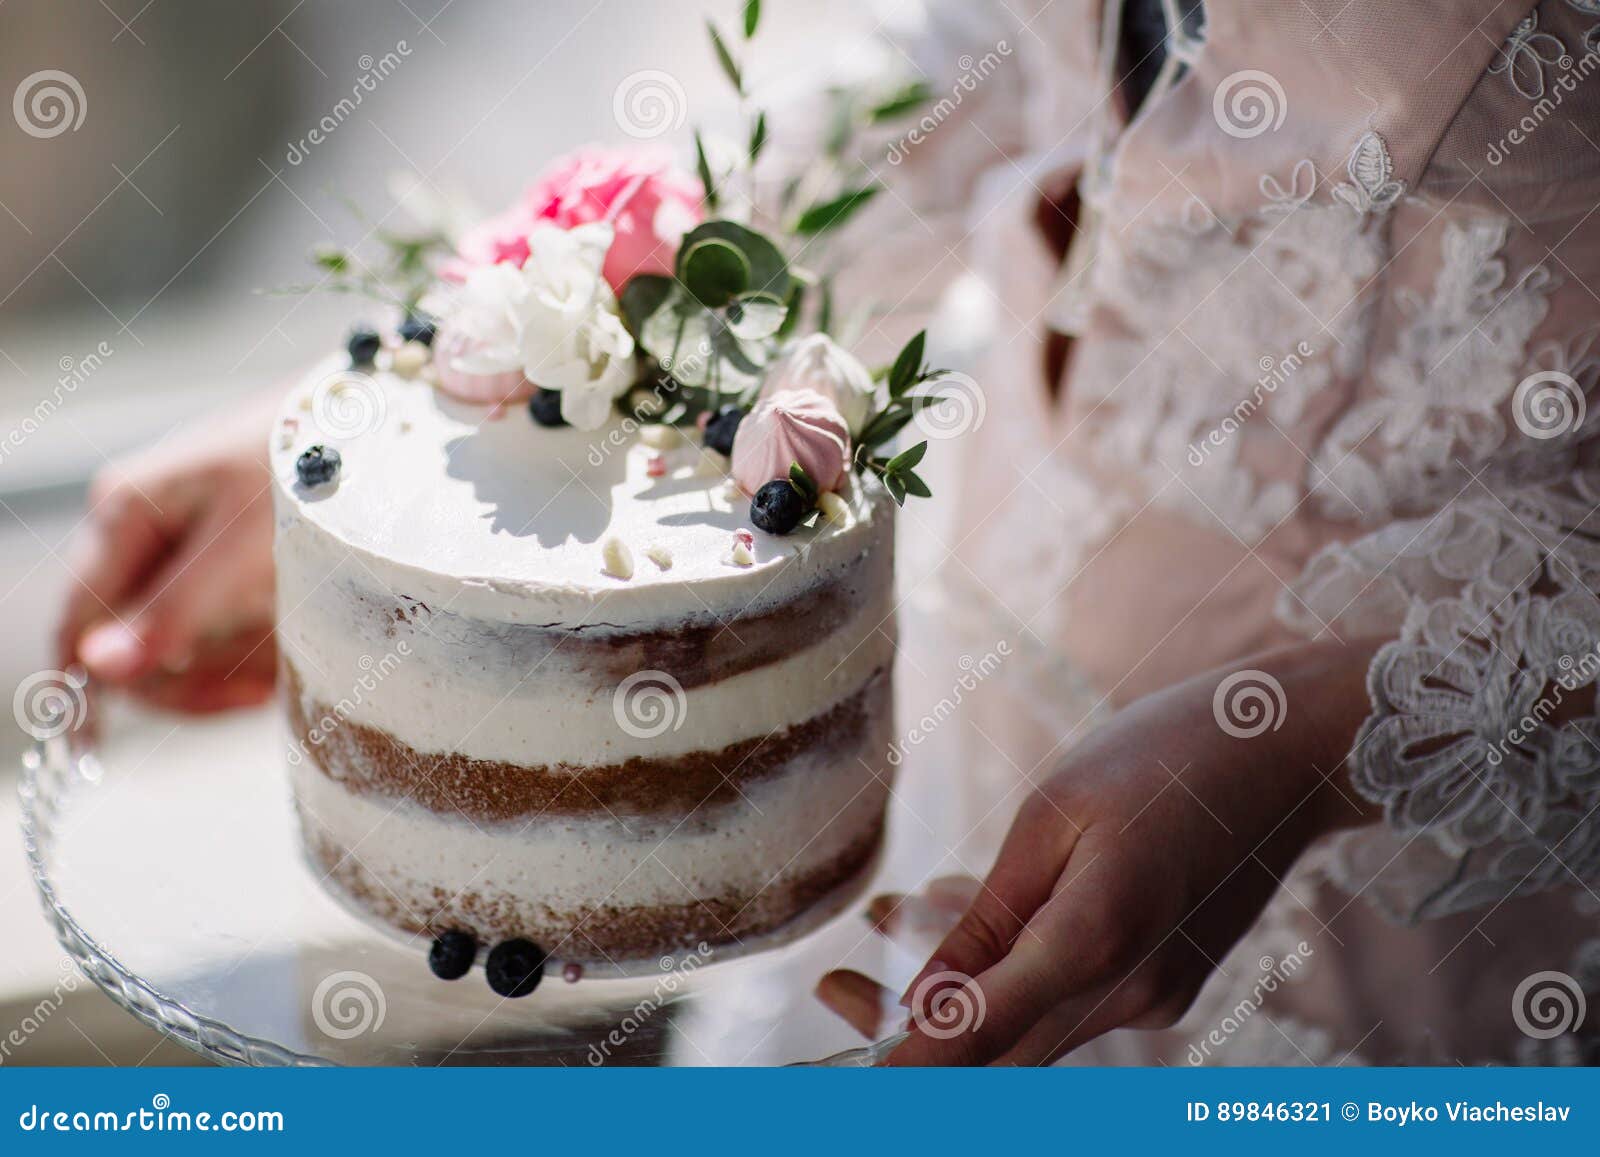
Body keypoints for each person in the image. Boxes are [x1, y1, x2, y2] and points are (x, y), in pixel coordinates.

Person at [60, 0, 1600, 1066]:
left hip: (1385, 917)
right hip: (946, 780)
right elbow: (980, 66)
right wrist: (438, 379)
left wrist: (1304, 746)